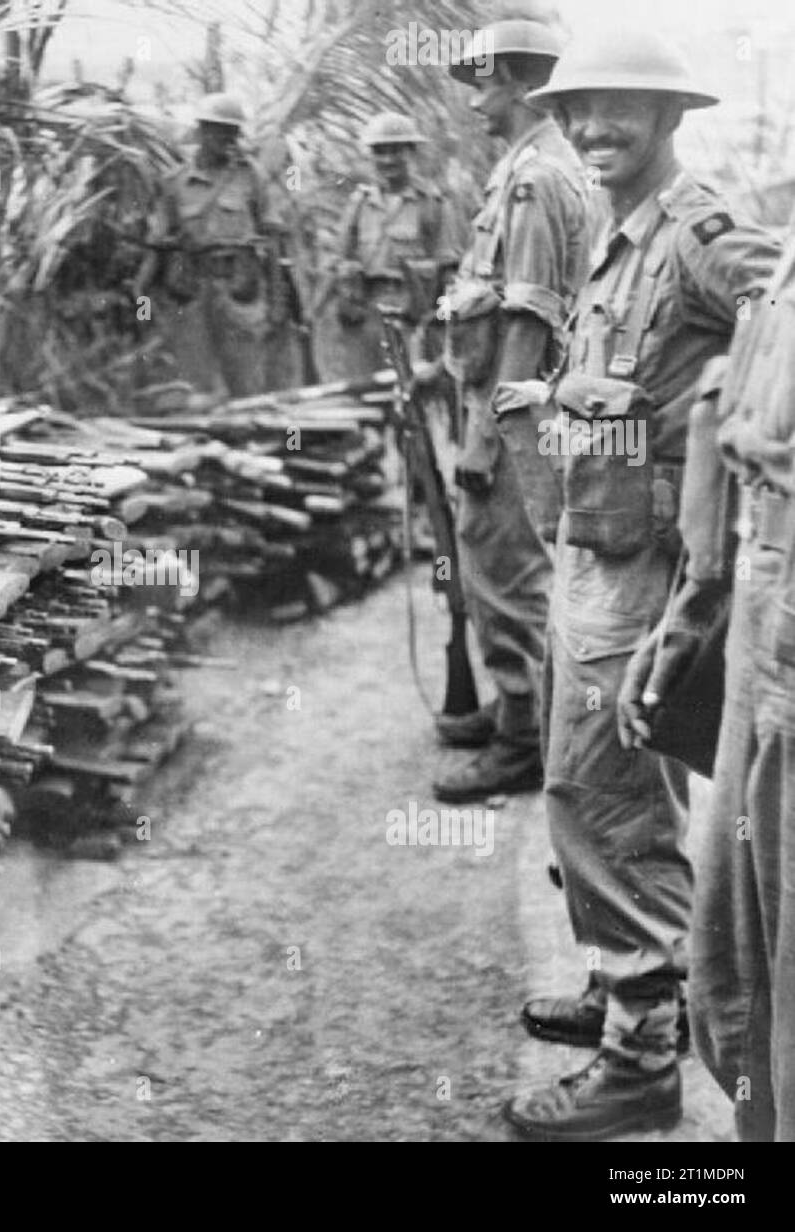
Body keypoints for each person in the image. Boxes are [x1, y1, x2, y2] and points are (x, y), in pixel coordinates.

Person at [501, 28, 781, 1140]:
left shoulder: (701, 231)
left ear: (670, 117)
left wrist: (724, 412)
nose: (586, 130)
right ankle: (636, 985)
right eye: (573, 113)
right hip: (594, 545)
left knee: (601, 796)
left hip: (648, 568)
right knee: (589, 786)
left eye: (613, 110)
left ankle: (640, 1058)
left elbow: (780, 307)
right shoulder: (620, 240)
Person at [618, 240, 795, 1144]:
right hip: (764, 601)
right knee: (735, 977)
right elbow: (727, 405)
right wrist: (695, 603)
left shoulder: (709, 238)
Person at [433, 16, 591, 802]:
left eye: (488, 83)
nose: (475, 104)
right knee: (500, 572)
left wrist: (490, 440)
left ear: (526, 85)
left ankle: (525, 740)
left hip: (512, 414)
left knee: (504, 575)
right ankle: (516, 707)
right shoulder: (522, 170)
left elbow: (531, 314)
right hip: (499, 400)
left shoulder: (535, 181)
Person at [134, 93, 293, 398]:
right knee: (195, 385)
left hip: (240, 293)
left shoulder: (251, 177)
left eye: (232, 131)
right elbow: (155, 249)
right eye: (218, 129)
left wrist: (277, 303)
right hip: (191, 295)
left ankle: (253, 441)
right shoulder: (175, 183)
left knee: (248, 382)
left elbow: (272, 240)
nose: (226, 138)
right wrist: (143, 307)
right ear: (202, 131)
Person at [315, 112, 463, 384]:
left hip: (412, 320)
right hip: (365, 317)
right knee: (366, 394)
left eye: (396, 151)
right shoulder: (360, 203)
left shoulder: (433, 204)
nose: (387, 160)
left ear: (412, 152)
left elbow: (449, 270)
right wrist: (343, 275)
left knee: (412, 396)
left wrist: (442, 325)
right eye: (380, 152)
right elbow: (336, 257)